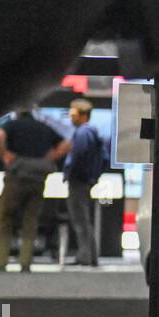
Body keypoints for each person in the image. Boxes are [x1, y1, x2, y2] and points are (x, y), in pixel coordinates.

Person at [0, 104, 70, 272]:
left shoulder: (12, 125)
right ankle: (25, 262)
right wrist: (51, 157)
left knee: (5, 218)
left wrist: (4, 154)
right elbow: (66, 144)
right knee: (30, 221)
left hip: (17, 176)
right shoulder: (43, 127)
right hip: (39, 178)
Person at [64, 98, 105, 267]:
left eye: (73, 114)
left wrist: (70, 172)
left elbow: (78, 155)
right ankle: (90, 256)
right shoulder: (93, 132)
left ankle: (85, 256)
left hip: (78, 181)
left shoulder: (82, 133)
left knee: (80, 220)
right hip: (86, 180)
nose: (71, 118)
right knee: (84, 220)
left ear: (83, 116)